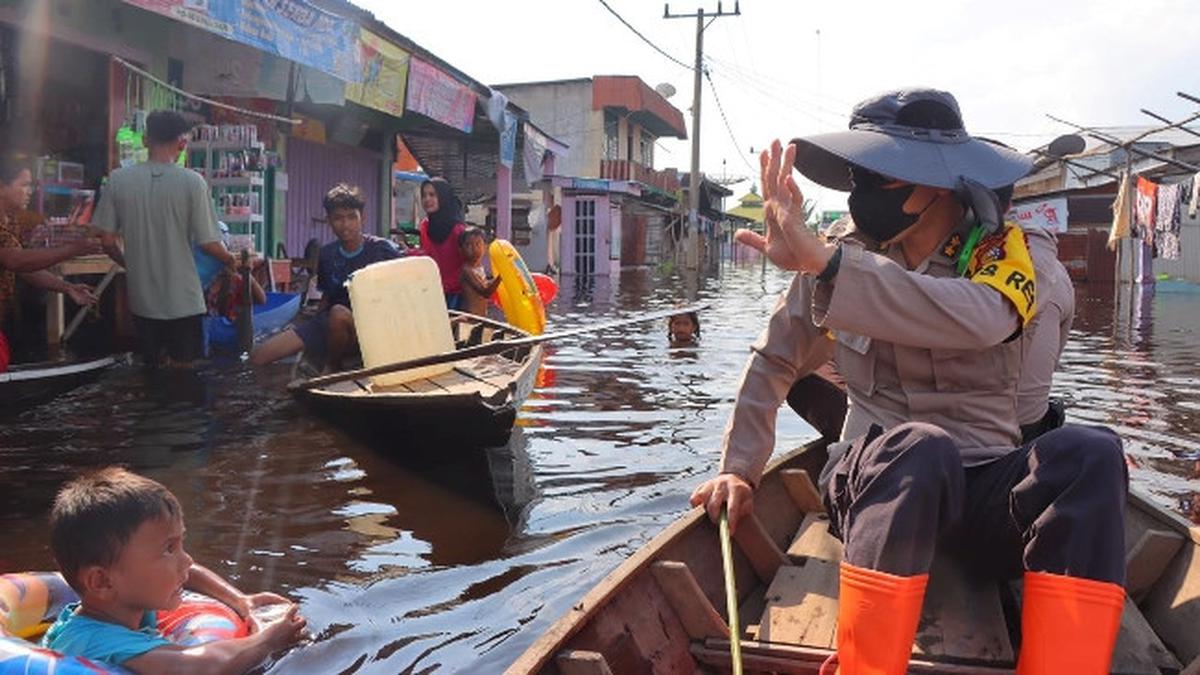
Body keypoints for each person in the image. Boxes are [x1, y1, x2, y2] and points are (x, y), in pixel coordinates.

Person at [690, 89, 1127, 674]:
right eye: (858, 175)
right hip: (878, 487)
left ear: (940, 183)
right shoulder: (836, 252)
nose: (862, 191)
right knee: (921, 447)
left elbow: (986, 316)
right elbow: (774, 361)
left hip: (982, 494)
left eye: (882, 177)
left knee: (1092, 454)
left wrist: (832, 268)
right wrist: (738, 470)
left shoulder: (1005, 251)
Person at [43, 467, 306, 673]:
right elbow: (197, 669)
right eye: (169, 549)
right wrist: (268, 640)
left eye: (181, 543)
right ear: (101, 581)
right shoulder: (92, 642)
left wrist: (240, 600)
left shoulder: (121, 606)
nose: (188, 560)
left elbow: (188, 573)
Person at [93, 110, 237, 368]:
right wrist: (231, 259)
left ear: (146, 140)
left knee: (152, 373)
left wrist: (129, 264)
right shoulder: (193, 182)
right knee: (184, 377)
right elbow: (208, 243)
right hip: (184, 301)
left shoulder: (118, 180)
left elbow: (106, 240)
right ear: (182, 142)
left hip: (142, 300)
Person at [250, 183, 401, 370]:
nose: (345, 224)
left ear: (363, 218)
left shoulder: (382, 250)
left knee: (338, 314)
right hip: (329, 323)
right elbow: (326, 297)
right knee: (259, 356)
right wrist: (307, 331)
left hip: (368, 326)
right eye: (338, 218)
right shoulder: (327, 254)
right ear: (329, 221)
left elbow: (401, 293)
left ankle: (332, 367)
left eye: (351, 217)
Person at [0, 156, 101, 371]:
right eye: (24, 185)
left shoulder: (11, 218)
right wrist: (73, 249)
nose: (30, 191)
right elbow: (15, 260)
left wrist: (67, 287)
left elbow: (24, 269)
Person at [417, 178, 467, 309]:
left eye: (432, 195)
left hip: (456, 296)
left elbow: (466, 265)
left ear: (443, 197)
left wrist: (445, 285)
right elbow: (427, 254)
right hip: (431, 292)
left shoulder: (458, 230)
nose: (427, 199)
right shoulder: (425, 226)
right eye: (424, 195)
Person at [457, 226, 501, 317]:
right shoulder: (467, 270)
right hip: (470, 318)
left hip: (480, 317)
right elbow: (485, 292)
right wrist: (500, 277)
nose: (474, 249)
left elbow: (484, 284)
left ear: (485, 247)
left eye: (478, 244)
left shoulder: (479, 267)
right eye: (469, 245)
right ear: (460, 250)